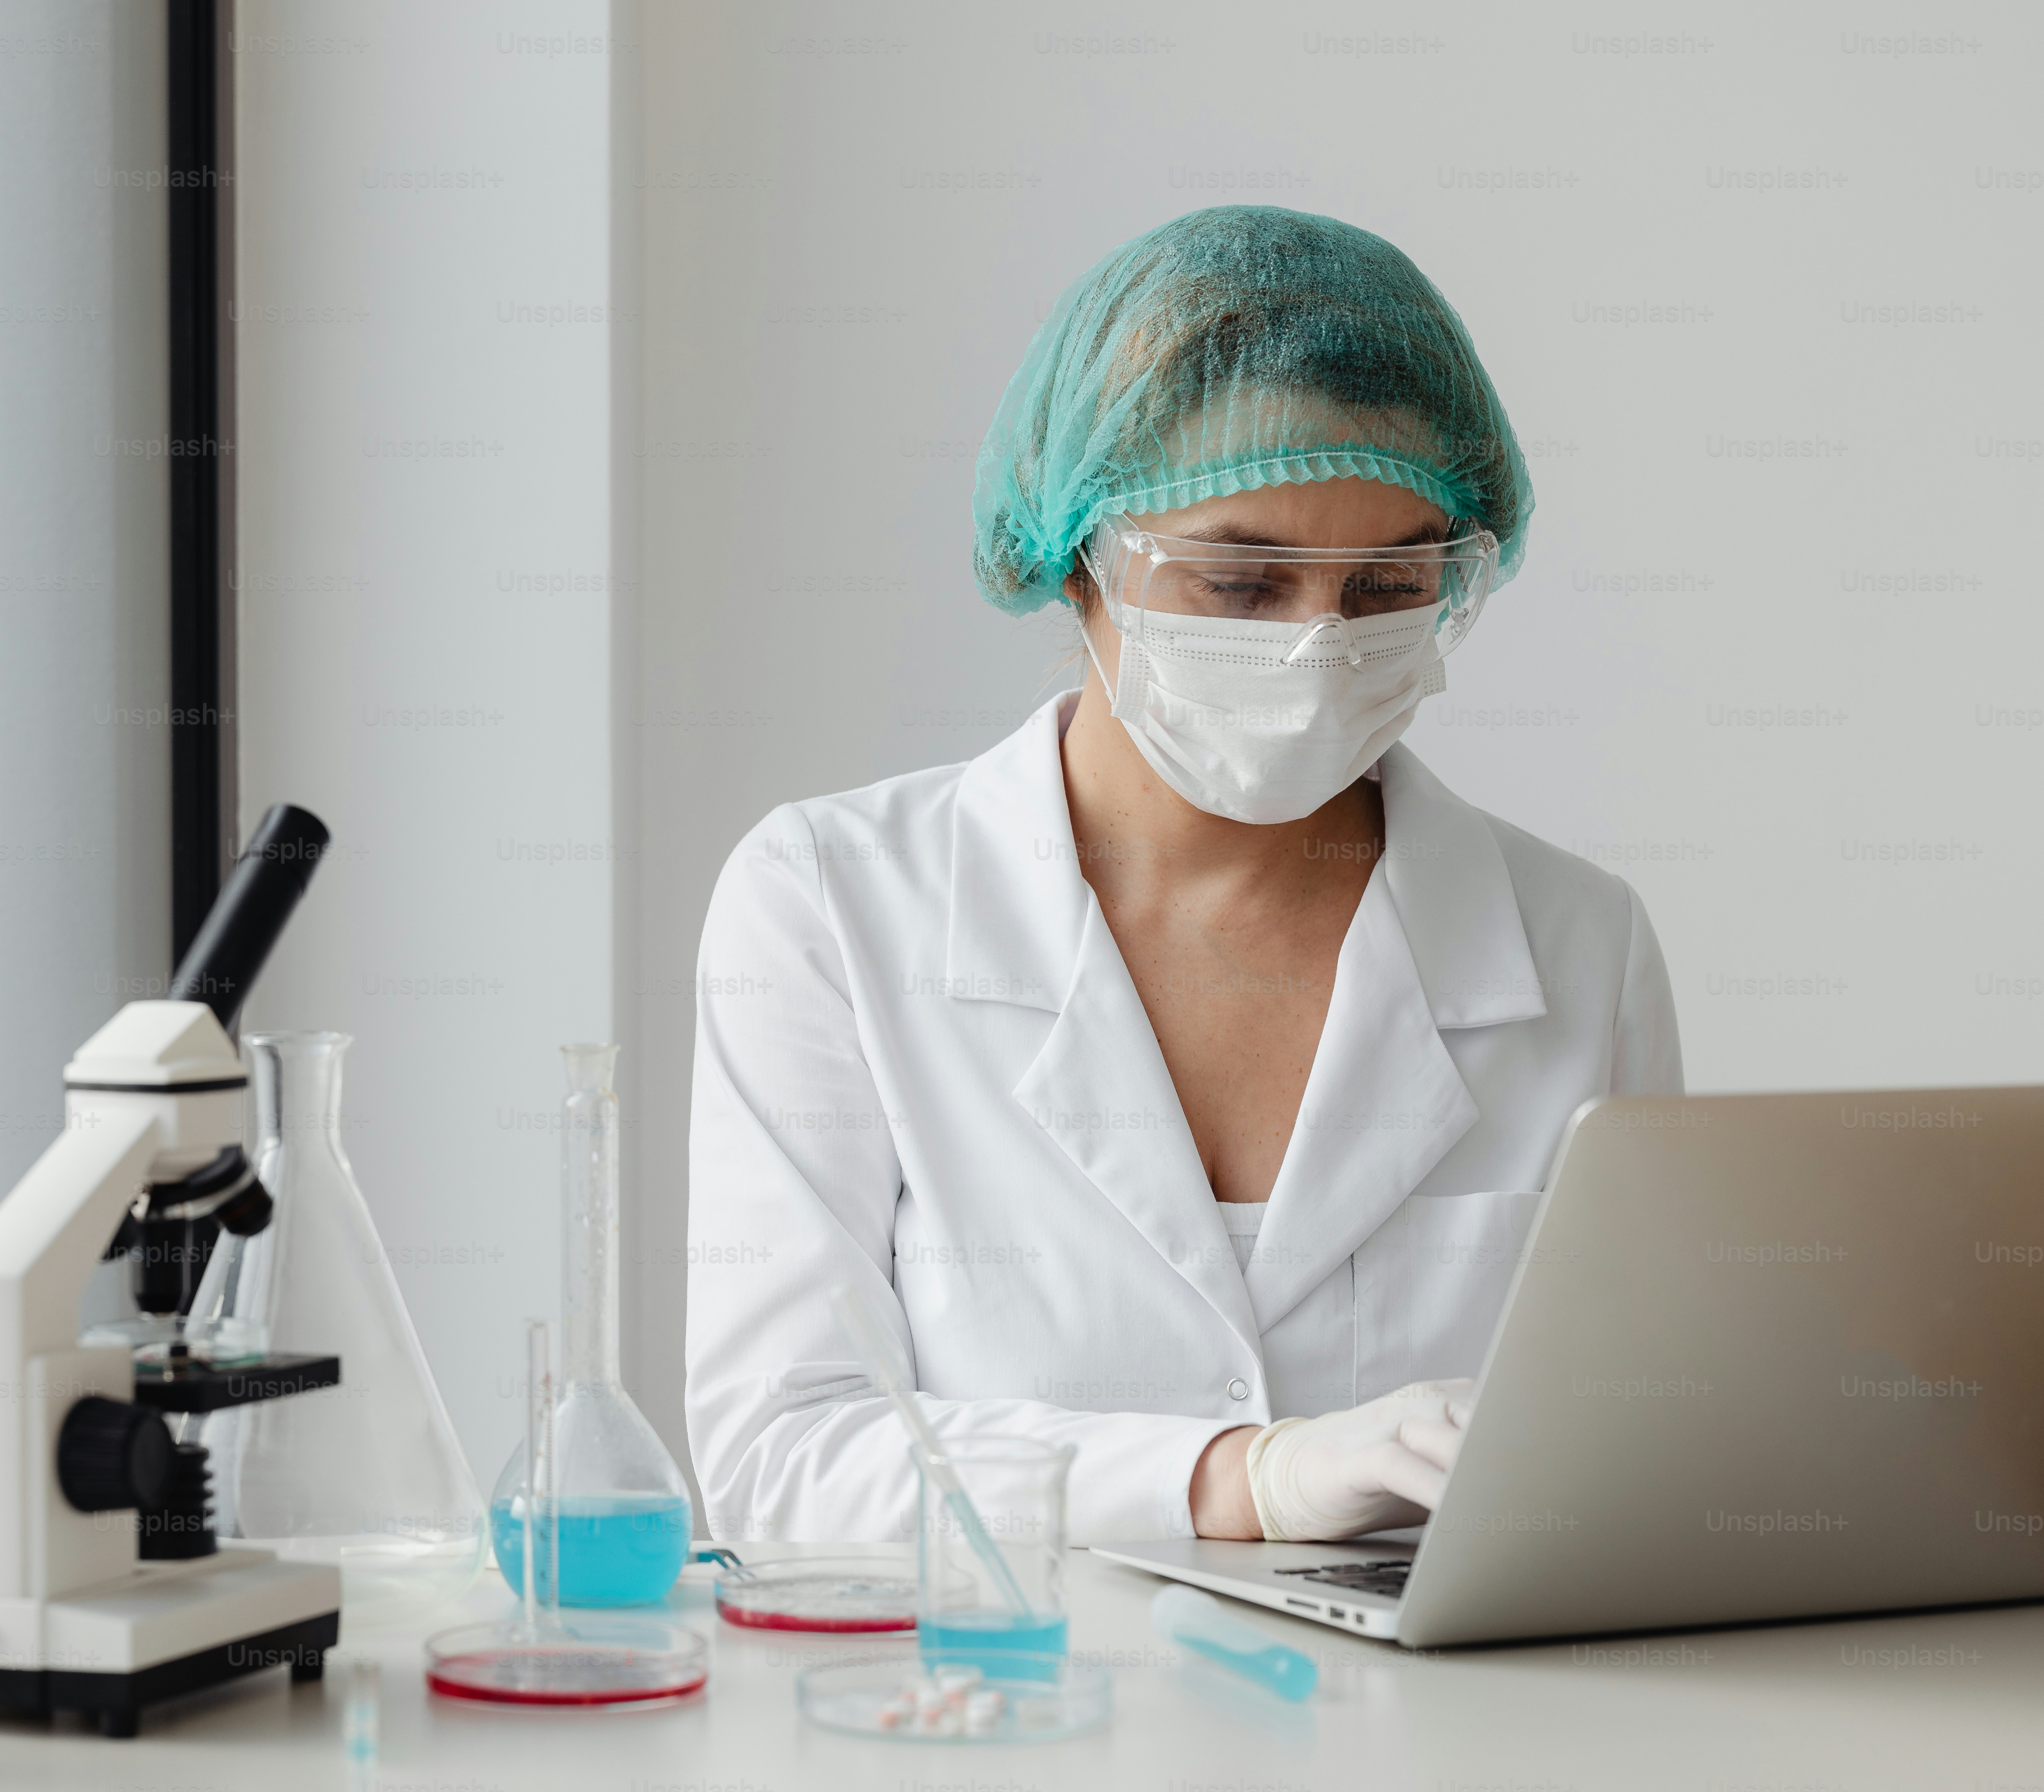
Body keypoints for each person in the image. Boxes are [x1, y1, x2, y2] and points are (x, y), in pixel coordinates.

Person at [683, 207, 1678, 1547]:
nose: (1318, 649)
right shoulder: (830, 903)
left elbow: (1638, 1438)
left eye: (1385, 587)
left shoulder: (1577, 944)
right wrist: (1242, 1480)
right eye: (1240, 581)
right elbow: (783, 1458)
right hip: (1013, 1732)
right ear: (1075, 558)